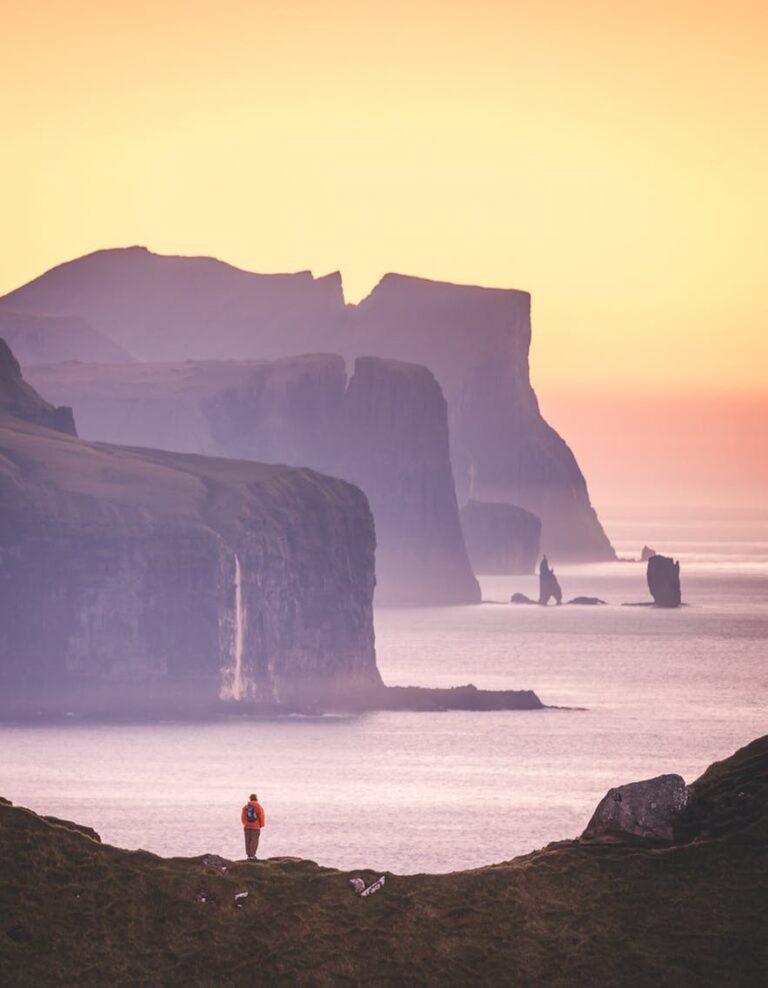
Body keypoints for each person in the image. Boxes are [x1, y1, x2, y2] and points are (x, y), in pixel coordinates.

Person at [241, 792, 265, 861]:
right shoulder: (259, 807)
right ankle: (252, 855)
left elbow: (243, 818)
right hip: (256, 827)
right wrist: (261, 825)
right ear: (256, 799)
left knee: (247, 841)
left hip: (247, 827)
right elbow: (261, 817)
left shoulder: (245, 807)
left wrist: (245, 824)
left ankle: (248, 855)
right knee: (254, 841)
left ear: (250, 799)